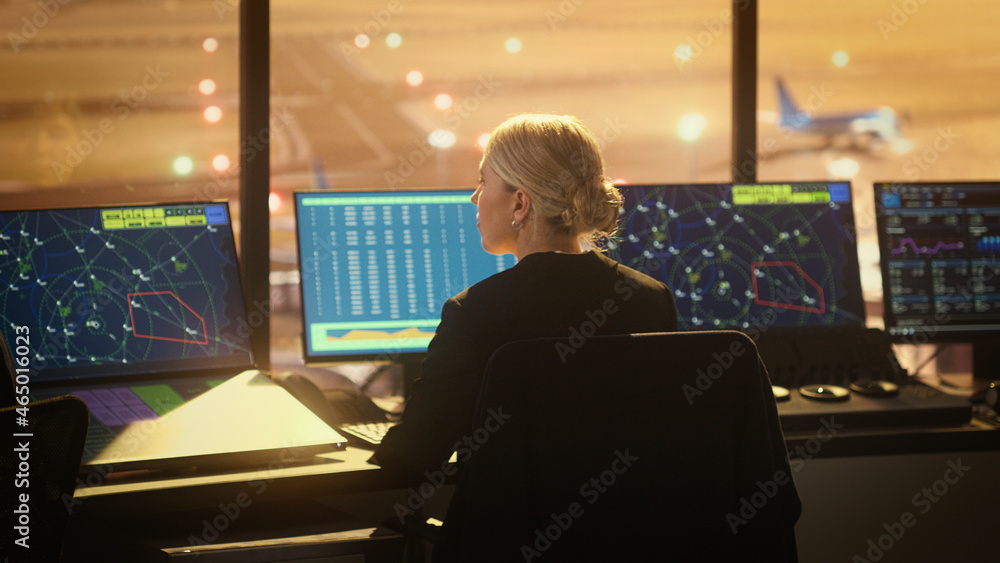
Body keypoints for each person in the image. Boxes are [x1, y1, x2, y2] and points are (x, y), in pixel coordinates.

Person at [370, 113, 678, 481]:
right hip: (628, 534)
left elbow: (415, 455)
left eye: (483, 182)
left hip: (504, 535)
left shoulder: (474, 314)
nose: (474, 197)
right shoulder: (651, 299)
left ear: (520, 204)